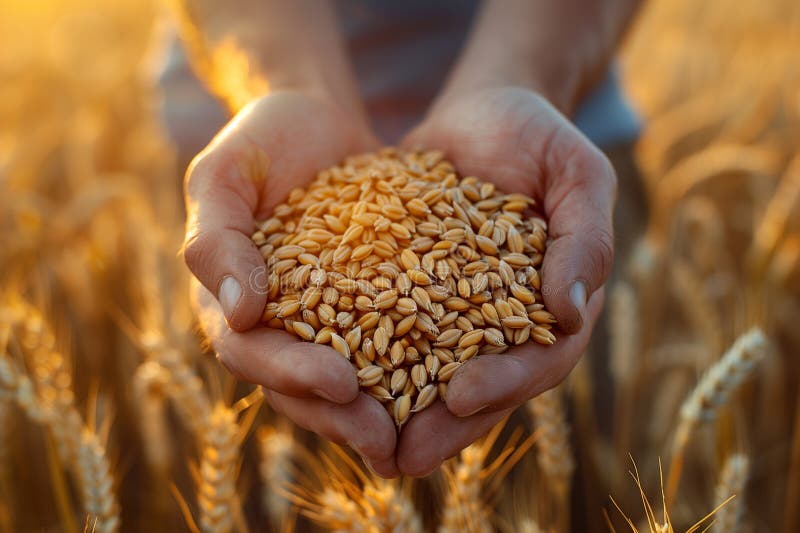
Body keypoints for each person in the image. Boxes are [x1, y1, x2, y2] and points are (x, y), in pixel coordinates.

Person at [178, 0, 641, 478]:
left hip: (544, 139)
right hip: (259, 157)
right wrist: (287, 83)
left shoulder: (501, 235)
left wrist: (525, 73)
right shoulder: (298, 231)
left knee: (579, 478)